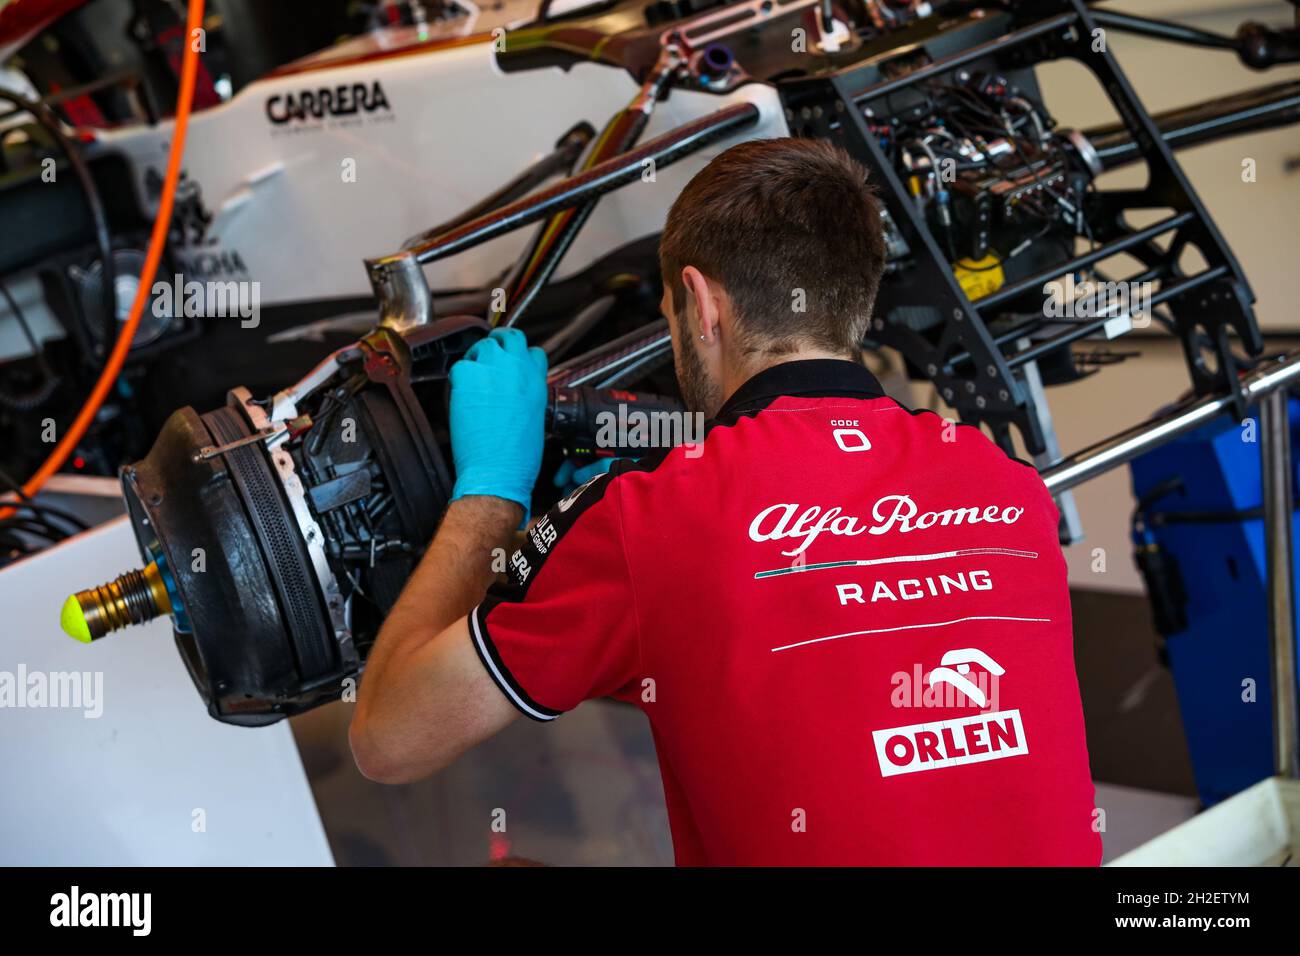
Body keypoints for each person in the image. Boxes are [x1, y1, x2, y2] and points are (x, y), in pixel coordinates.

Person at [349, 137, 1102, 866]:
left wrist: (492, 490)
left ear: (700, 304)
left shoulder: (649, 521)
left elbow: (388, 739)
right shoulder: (1008, 483)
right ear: (854, 303)